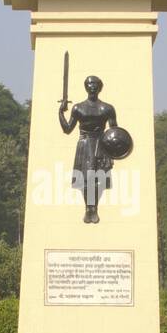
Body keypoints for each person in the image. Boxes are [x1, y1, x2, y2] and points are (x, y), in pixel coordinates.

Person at [59, 75, 117, 223]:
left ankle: (93, 207)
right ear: (86, 86)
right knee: (85, 179)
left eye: (95, 84)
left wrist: (111, 153)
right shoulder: (78, 108)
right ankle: (89, 208)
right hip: (84, 143)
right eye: (89, 83)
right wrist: (60, 112)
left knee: (99, 179)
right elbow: (67, 129)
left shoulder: (107, 108)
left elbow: (114, 132)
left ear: (100, 87)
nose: (92, 86)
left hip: (100, 143)